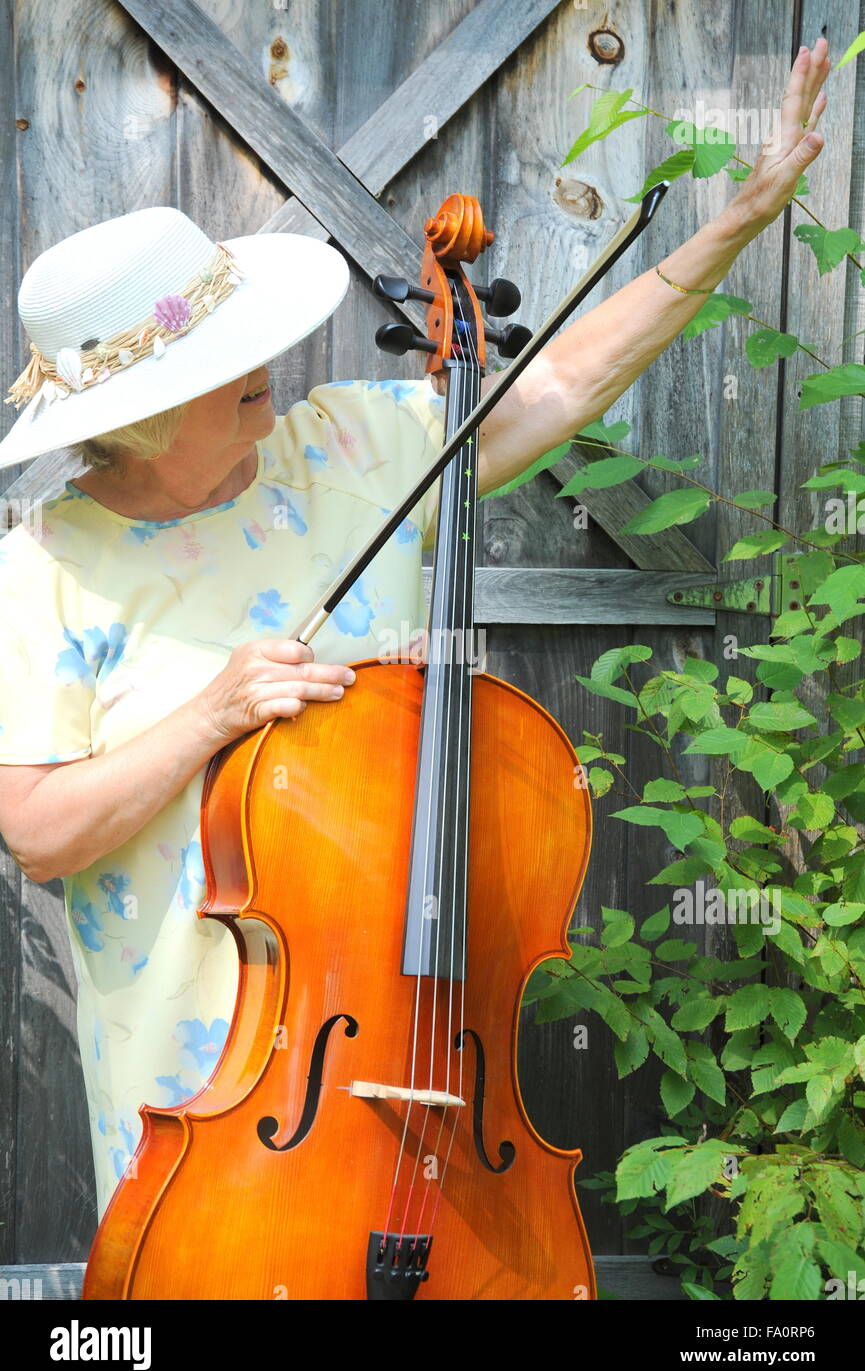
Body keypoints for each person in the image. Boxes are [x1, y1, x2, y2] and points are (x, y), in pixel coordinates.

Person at [0, 41, 830, 1220]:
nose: (267, 371)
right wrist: (213, 716)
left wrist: (733, 226)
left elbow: (557, 388)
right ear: (137, 423)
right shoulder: (45, 571)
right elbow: (38, 832)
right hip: (197, 1097)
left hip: (409, 1055)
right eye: (223, 367)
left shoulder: (344, 445)